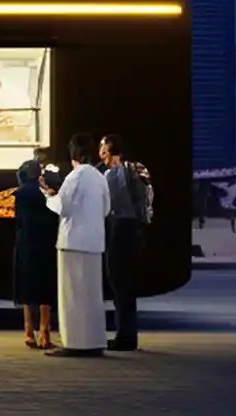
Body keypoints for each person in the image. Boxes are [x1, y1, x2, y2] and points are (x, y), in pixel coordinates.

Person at [42, 132, 111, 357]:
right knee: (92, 296)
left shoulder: (75, 176)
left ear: (74, 155)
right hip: (95, 242)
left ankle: (75, 343)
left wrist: (48, 196)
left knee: (71, 296)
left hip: (73, 242)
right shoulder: (99, 177)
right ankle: (94, 341)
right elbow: (106, 208)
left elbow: (62, 206)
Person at [100, 134, 141, 351]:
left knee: (120, 284)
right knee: (126, 287)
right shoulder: (133, 171)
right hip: (132, 229)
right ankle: (127, 335)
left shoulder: (113, 175)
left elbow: (108, 204)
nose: (101, 154)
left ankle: (124, 337)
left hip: (119, 228)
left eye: (104, 149)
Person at [15, 153, 59, 349]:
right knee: (45, 288)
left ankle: (28, 332)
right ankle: (45, 332)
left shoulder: (20, 194)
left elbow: (18, 223)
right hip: (46, 244)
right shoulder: (46, 194)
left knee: (27, 287)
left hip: (25, 244)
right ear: (39, 175)